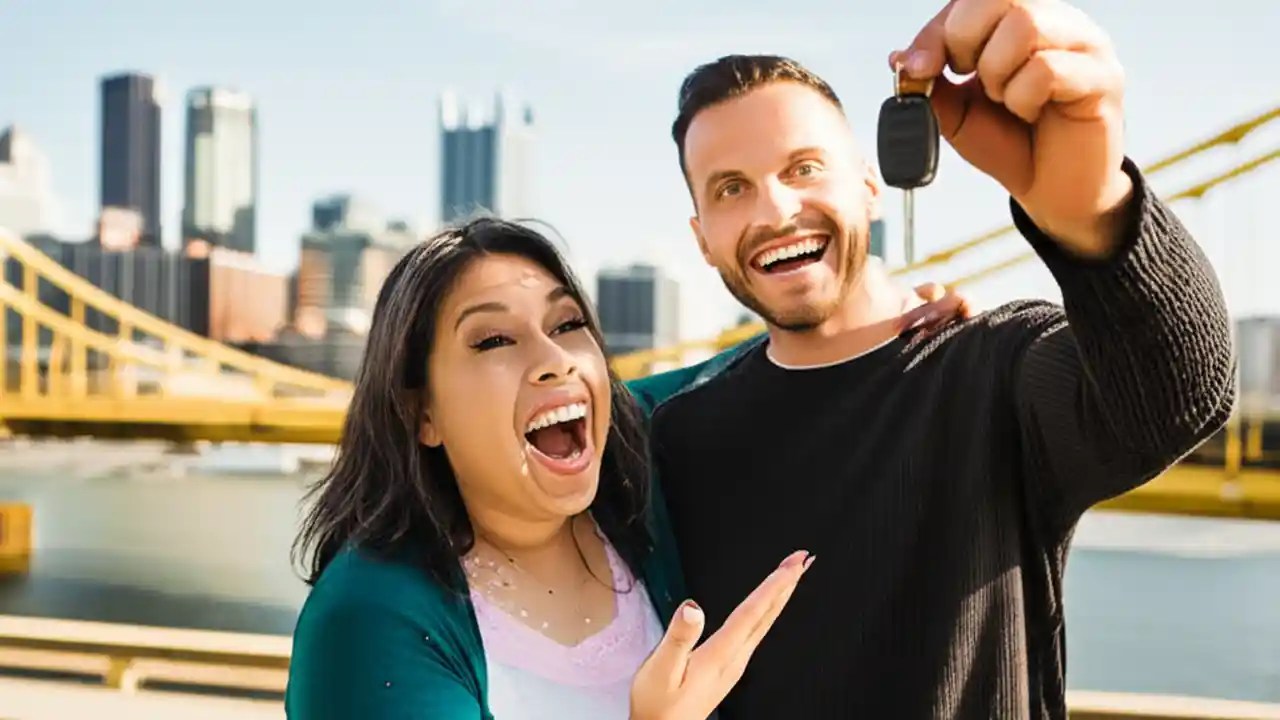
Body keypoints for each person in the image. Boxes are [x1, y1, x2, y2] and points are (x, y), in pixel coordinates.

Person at [627, 2, 1238, 719]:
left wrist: (1094, 214)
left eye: (804, 167)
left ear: (868, 182)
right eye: (732, 188)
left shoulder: (993, 368)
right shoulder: (676, 438)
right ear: (702, 238)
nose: (775, 209)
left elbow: (1176, 397)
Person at [283, 217, 969, 718]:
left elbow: (758, 372)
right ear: (420, 413)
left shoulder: (633, 461)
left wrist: (889, 325)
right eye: (494, 339)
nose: (554, 358)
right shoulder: (369, 620)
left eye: (568, 324)